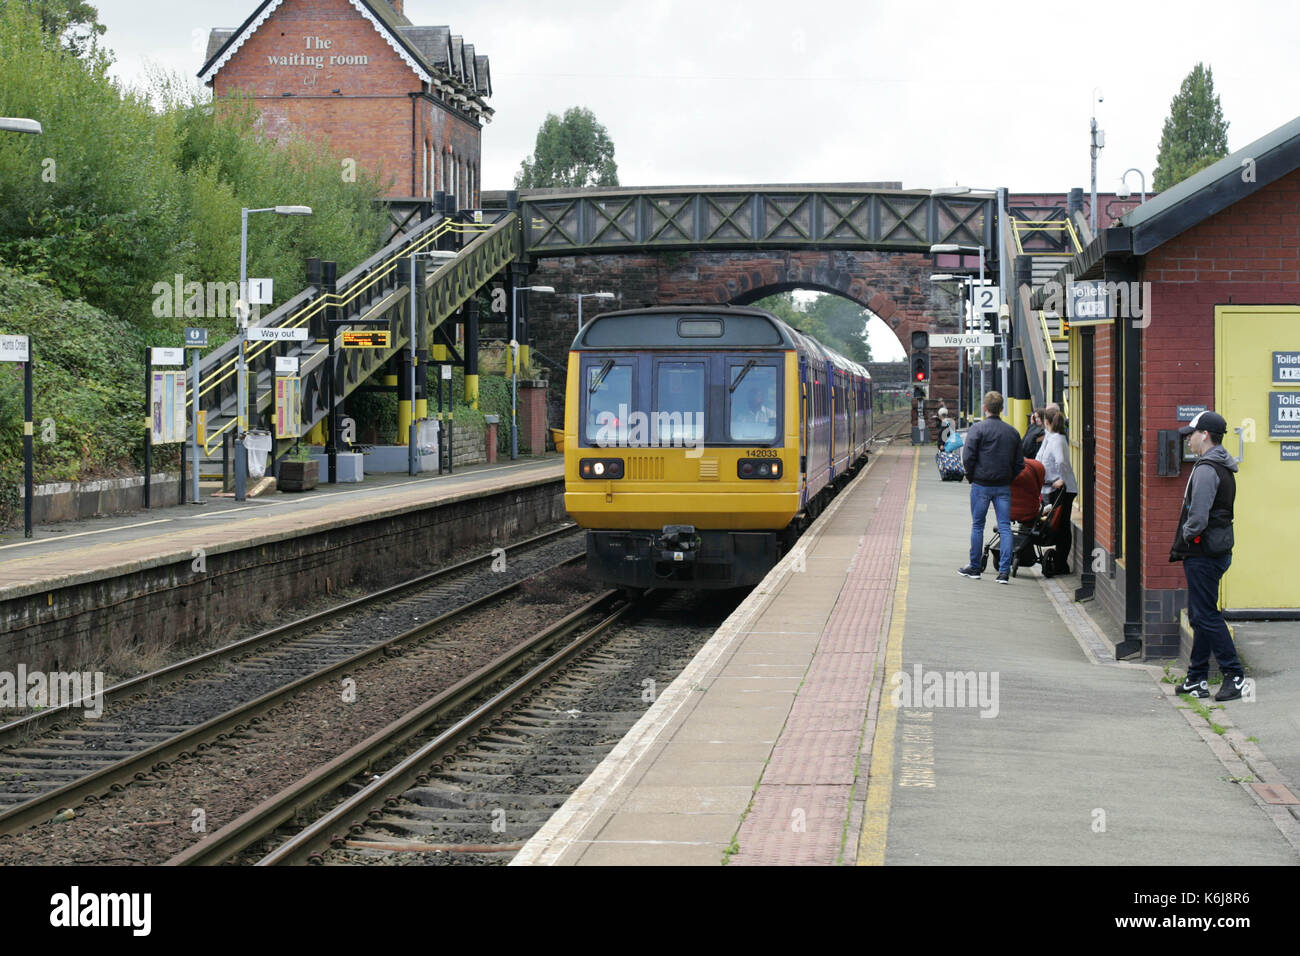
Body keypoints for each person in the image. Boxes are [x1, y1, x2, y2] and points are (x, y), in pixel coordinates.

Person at [1170, 410, 1246, 701]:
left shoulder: (1205, 469)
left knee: (1205, 615)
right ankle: (1196, 678)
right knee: (1201, 615)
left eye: (1191, 434)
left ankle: (1235, 675)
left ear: (1205, 435)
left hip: (1203, 552)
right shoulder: (1222, 465)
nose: (1188, 439)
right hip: (1216, 549)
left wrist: (1187, 536)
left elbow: (1198, 517)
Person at [959, 390, 1025, 584]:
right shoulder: (1012, 432)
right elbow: (1020, 463)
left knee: (978, 525)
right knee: (1005, 527)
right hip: (1003, 486)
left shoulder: (978, 429)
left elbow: (968, 457)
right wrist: (1008, 477)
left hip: (981, 484)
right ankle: (1004, 572)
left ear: (985, 408)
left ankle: (975, 568)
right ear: (1001, 409)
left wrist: (971, 476)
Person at [1037, 407, 1077, 573]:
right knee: (1059, 524)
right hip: (1054, 487)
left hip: (1063, 489)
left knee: (1062, 525)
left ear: (1046, 422)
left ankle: (1062, 563)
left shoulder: (1057, 440)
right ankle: (1060, 562)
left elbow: (1060, 461)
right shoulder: (1051, 437)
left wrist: (1062, 478)